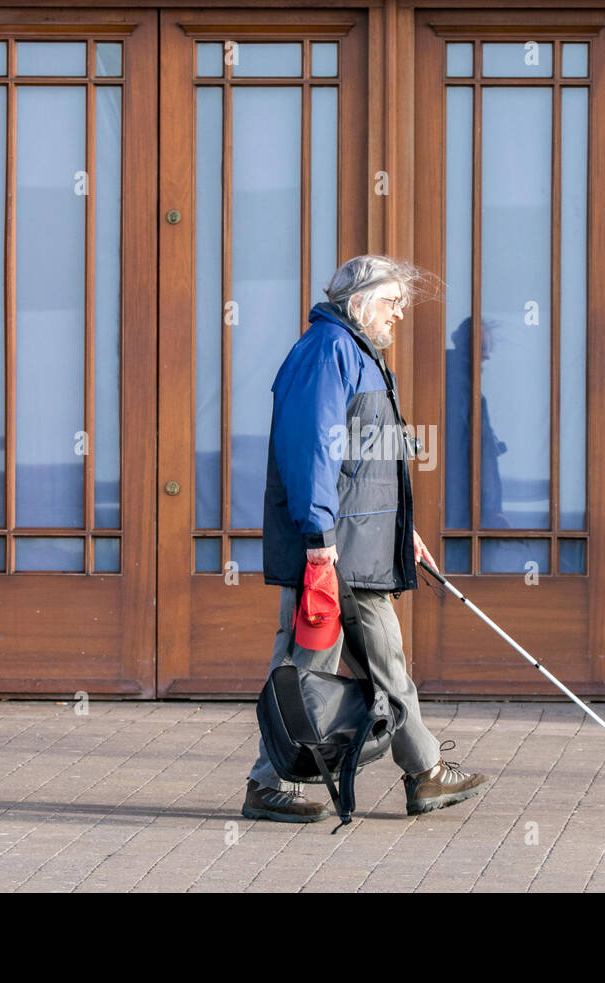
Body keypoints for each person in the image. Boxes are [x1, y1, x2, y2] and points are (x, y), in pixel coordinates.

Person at [243, 255, 489, 823]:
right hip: (333, 549)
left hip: (361, 543)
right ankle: (269, 781)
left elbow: (367, 461)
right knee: (307, 663)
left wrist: (405, 530)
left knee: (383, 662)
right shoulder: (328, 351)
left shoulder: (359, 355)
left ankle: (425, 772)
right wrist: (319, 536)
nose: (400, 313)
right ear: (358, 303)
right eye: (391, 301)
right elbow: (312, 453)